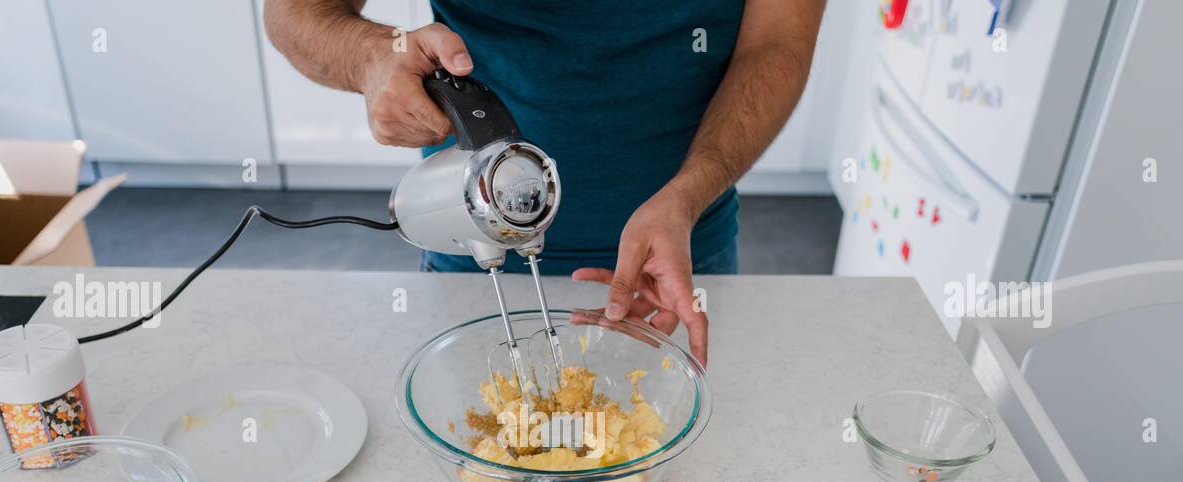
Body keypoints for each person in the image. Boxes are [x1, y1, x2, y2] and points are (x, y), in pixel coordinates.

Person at [265, 0, 825, 366]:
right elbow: (293, 13)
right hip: (472, 243)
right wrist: (371, 58)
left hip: (679, 253)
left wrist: (689, 192)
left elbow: (776, 44)